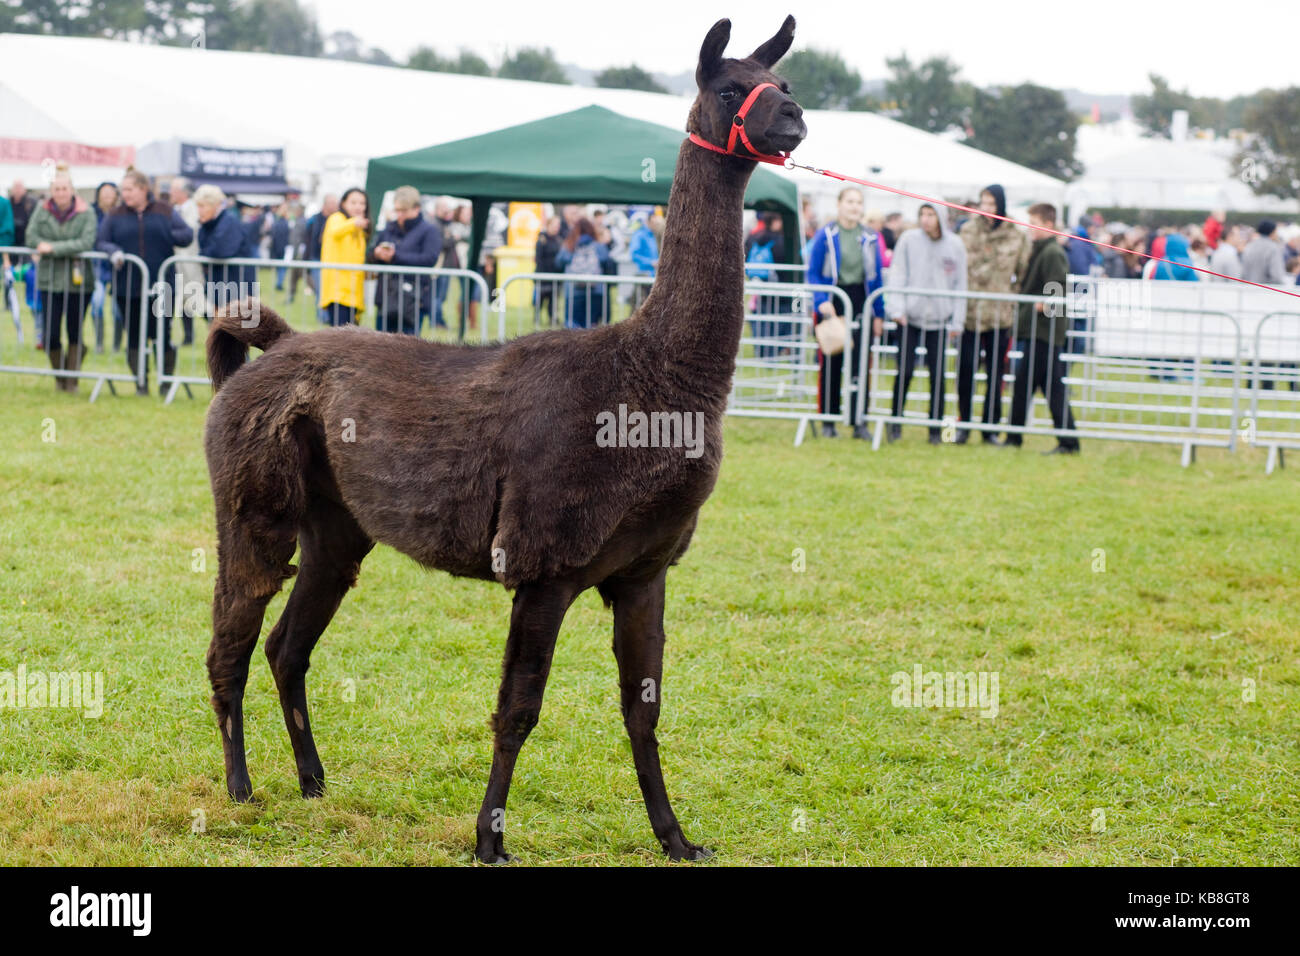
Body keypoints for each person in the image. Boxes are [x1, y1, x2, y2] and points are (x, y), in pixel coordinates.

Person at [95, 167, 193, 394]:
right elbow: (101, 241)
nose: (125, 194)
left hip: (162, 286)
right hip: (127, 287)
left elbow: (186, 235)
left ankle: (165, 381)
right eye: (123, 190)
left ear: (142, 189)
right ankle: (141, 383)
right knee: (134, 336)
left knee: (162, 334)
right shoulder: (115, 214)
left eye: (129, 189)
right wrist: (114, 251)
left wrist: (168, 234)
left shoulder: (165, 211)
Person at [805, 187, 886, 438]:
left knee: (861, 364)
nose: (854, 207)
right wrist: (820, 300)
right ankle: (828, 420)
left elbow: (876, 278)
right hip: (834, 301)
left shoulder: (870, 237)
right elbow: (814, 272)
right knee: (832, 362)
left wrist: (879, 312)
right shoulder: (826, 235)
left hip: (861, 300)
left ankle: (858, 420)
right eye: (850, 201)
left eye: (858, 202)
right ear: (839, 204)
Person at [885, 203, 966, 444]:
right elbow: (897, 273)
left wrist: (957, 320)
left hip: (939, 320)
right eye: (923, 214)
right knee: (905, 371)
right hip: (910, 317)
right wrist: (897, 307)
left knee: (938, 375)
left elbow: (960, 282)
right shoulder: (909, 240)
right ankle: (895, 422)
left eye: (931, 214)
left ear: (941, 217)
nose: (926, 219)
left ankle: (935, 429)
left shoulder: (955, 245)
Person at [957, 184, 1029, 445]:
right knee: (965, 371)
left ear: (1000, 205)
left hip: (999, 317)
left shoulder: (1016, 234)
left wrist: (1011, 298)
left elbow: (1022, 273)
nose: (987, 208)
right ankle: (962, 424)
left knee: (996, 375)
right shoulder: (967, 229)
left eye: (991, 203)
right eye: (983, 203)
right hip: (970, 314)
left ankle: (990, 429)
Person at [1007, 203, 1079, 454]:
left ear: (1048, 224)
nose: (1030, 227)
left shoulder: (1052, 253)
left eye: (1034, 222)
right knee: (1041, 386)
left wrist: (1044, 306)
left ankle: (1020, 438)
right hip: (1039, 331)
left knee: (1043, 388)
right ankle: (1019, 437)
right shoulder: (1042, 250)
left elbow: (1058, 290)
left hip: (1044, 332)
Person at [25, 163, 97, 391]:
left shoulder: (86, 212)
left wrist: (52, 248)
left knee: (75, 331)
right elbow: (31, 236)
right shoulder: (42, 210)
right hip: (49, 281)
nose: (60, 193)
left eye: (64, 188)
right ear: (51, 191)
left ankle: (71, 379)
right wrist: (41, 245)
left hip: (78, 282)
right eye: (56, 189)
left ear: (72, 189)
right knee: (50, 333)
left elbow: (86, 242)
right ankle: (59, 375)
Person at [368, 185, 441, 335]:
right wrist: (377, 254)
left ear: (416, 208)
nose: (400, 215)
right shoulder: (389, 228)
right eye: (397, 210)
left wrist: (396, 257)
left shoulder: (429, 230)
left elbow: (429, 258)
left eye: (404, 211)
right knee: (380, 348)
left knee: (409, 352)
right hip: (387, 296)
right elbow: (370, 256)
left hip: (413, 299)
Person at [195, 184, 256, 312]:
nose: (199, 210)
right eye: (198, 206)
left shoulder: (229, 222)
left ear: (215, 205)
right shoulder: (207, 225)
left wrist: (203, 254)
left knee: (235, 329)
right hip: (219, 288)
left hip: (236, 291)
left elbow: (220, 250)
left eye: (202, 206)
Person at [318, 187, 370, 326]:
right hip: (337, 292)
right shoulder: (336, 219)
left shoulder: (360, 231)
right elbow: (335, 231)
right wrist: (354, 223)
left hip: (354, 293)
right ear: (344, 204)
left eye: (362, 203)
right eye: (353, 202)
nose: (358, 207)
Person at [555, 217, 610, 329]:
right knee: (591, 330)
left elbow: (559, 262)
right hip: (595, 291)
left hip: (573, 292)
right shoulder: (598, 246)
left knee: (572, 329)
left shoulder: (569, 246)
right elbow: (607, 261)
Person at [168, 176, 203, 345]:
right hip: (176, 263)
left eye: (173, 190)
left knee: (198, 300)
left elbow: (191, 231)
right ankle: (188, 337)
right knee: (182, 301)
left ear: (183, 192)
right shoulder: (172, 210)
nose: (170, 193)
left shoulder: (194, 209)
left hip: (192, 262)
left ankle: (217, 331)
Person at [87, 182, 119, 352]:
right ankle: (99, 343)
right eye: (104, 193)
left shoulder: (121, 213)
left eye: (110, 193)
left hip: (117, 267)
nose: (107, 197)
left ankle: (116, 345)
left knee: (117, 310)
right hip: (97, 266)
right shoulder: (91, 213)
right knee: (96, 304)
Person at [302, 194, 338, 303]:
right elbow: (308, 239)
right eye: (332, 203)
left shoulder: (338, 220)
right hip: (317, 258)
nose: (335, 206)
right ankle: (322, 317)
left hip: (333, 260)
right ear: (325, 205)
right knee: (319, 290)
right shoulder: (314, 219)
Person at [431, 198, 459, 329]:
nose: (447, 211)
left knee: (441, 297)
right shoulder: (435, 225)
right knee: (438, 297)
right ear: (437, 210)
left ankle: (438, 320)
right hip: (439, 267)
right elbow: (440, 244)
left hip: (445, 266)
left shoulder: (444, 224)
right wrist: (453, 240)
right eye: (444, 209)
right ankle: (436, 321)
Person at [533, 213, 563, 325]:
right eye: (555, 225)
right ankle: (536, 318)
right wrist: (540, 276)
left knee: (553, 300)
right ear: (549, 225)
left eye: (558, 225)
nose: (557, 227)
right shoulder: (542, 240)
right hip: (543, 275)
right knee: (540, 300)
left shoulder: (559, 240)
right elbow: (538, 259)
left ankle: (552, 318)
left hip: (555, 276)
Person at [1241, 220, 1286, 285]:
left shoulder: (1249, 246)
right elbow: (1277, 276)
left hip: (1247, 289)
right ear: (1272, 232)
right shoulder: (1273, 248)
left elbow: (1243, 272)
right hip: (1265, 291)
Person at [269, 203, 290, 291]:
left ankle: (279, 283)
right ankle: (279, 283)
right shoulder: (286, 223)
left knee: (279, 267)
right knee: (282, 267)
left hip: (277, 248)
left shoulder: (276, 223)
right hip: (283, 248)